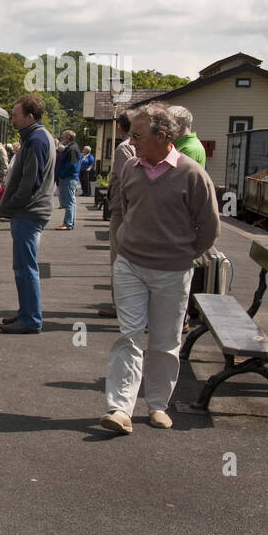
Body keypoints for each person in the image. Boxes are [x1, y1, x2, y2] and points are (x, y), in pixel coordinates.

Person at [101, 103, 220, 434]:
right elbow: (122, 209)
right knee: (129, 335)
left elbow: (209, 228)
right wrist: (126, 242)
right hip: (130, 265)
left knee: (165, 341)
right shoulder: (131, 168)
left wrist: (182, 255)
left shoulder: (192, 174)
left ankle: (157, 405)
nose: (131, 142)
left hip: (172, 270)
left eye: (137, 136)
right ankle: (120, 409)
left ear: (163, 136)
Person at [0, 95, 56, 333]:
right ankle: (26, 313)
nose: (12, 119)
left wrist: (7, 207)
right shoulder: (39, 137)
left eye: (16, 115)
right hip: (33, 211)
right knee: (25, 266)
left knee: (25, 267)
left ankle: (30, 319)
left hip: (29, 212)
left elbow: (30, 183)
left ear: (30, 116)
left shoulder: (36, 140)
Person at [98, 111, 136, 319]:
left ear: (120, 127)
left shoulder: (123, 148)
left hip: (122, 211)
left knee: (118, 259)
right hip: (132, 210)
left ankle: (118, 305)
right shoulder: (139, 147)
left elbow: (126, 181)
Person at [54, 129, 81, 230]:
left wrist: (62, 175)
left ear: (68, 138)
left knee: (69, 202)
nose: (62, 138)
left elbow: (72, 165)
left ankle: (68, 223)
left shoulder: (72, 149)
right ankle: (69, 222)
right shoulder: (73, 147)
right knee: (71, 201)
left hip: (68, 178)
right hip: (70, 177)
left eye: (63, 136)